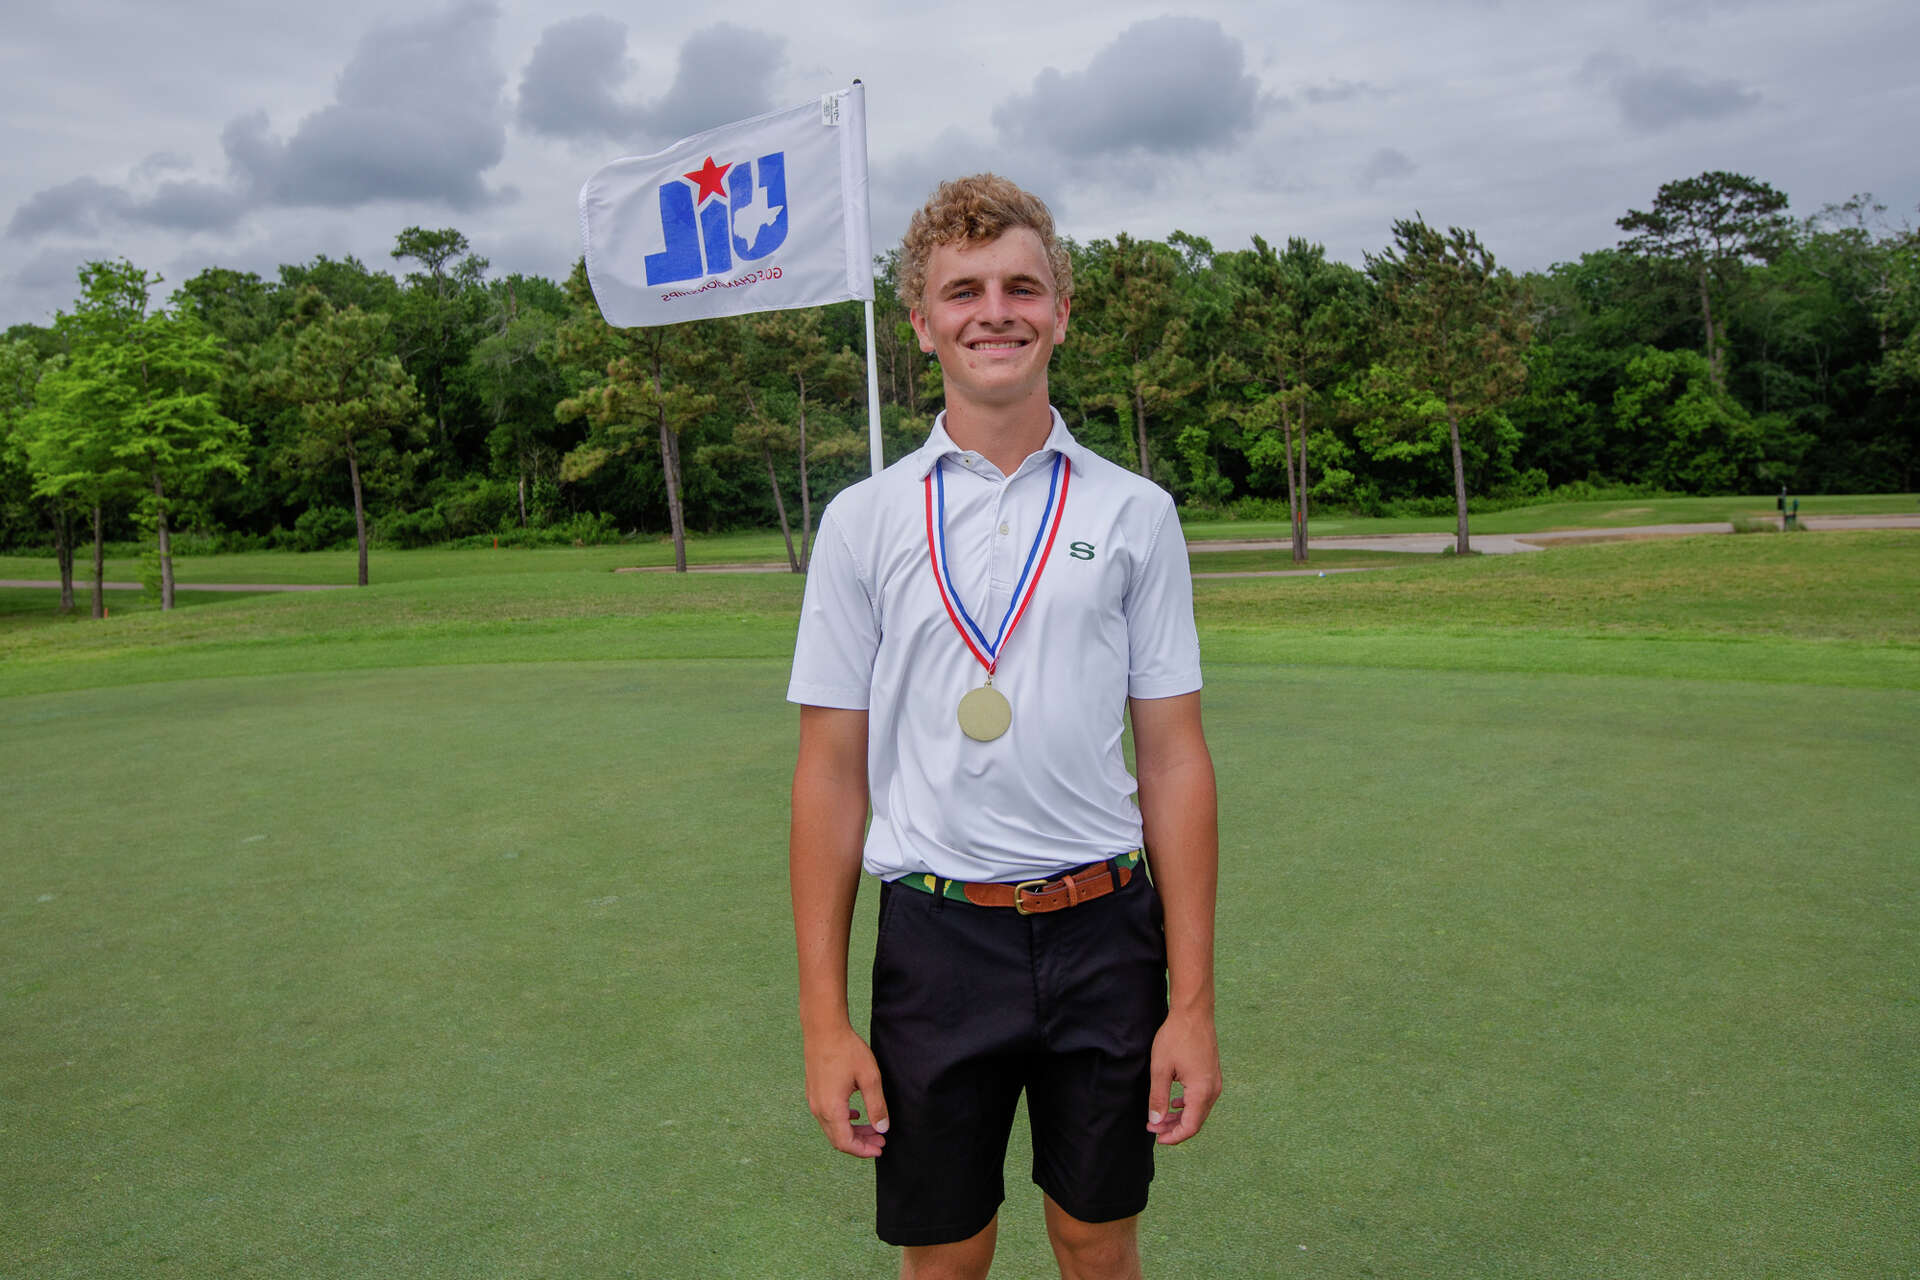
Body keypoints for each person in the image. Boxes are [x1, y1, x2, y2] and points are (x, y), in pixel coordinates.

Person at [787, 173, 1221, 1280]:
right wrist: (825, 1022)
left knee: (1095, 1239)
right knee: (945, 1255)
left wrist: (1192, 1003)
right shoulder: (862, 519)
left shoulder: (1136, 511)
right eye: (964, 290)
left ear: (1061, 312)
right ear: (921, 322)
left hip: (1104, 931)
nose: (996, 311)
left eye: (1022, 287)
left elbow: (1174, 758)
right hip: (938, 940)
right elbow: (829, 774)